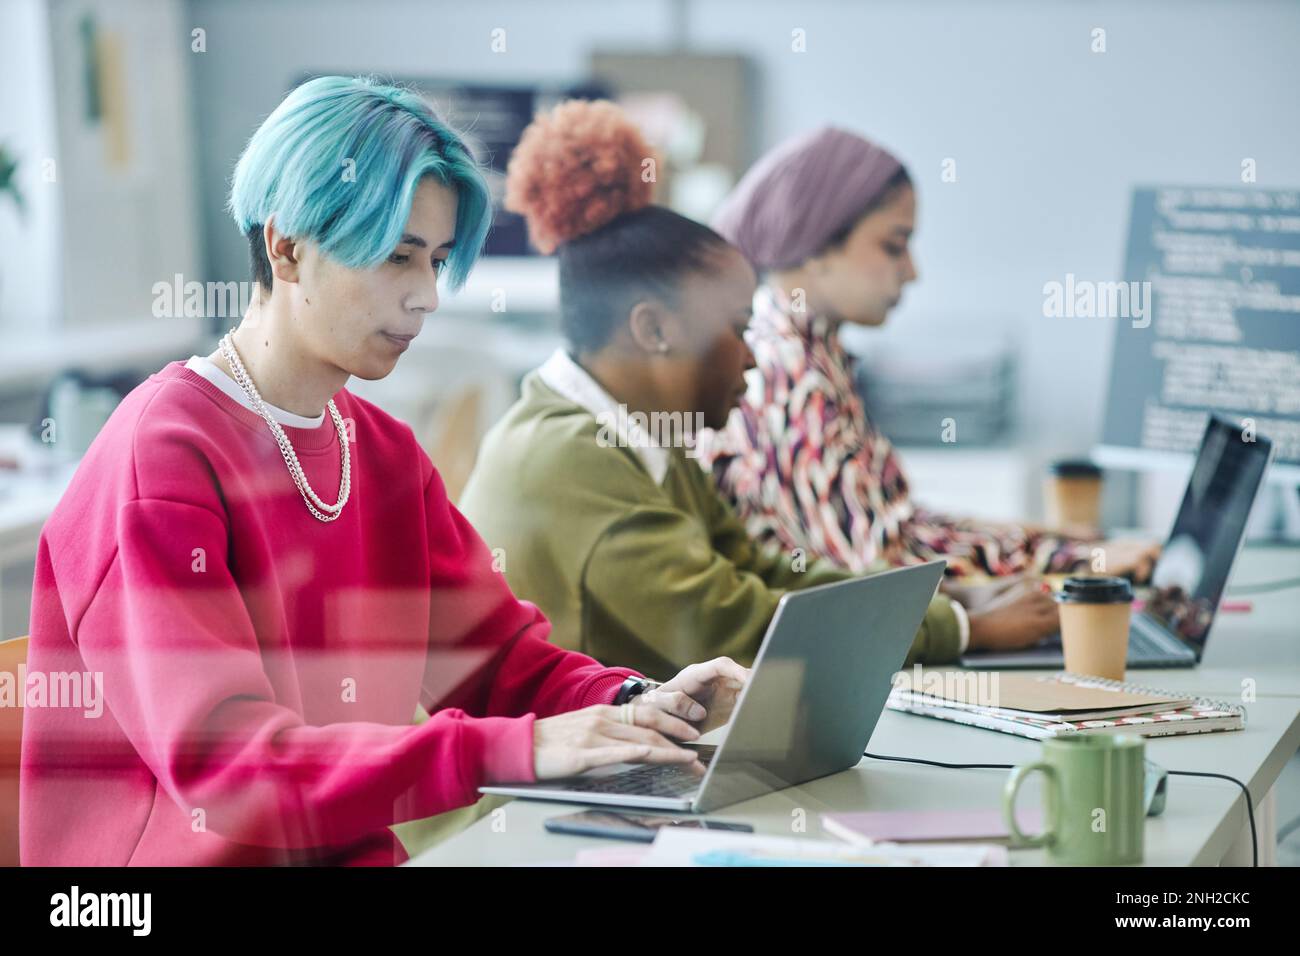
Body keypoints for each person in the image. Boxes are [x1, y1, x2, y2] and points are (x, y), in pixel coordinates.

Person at [21, 76, 747, 867]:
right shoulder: (162, 454)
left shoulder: (382, 450)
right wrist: (521, 751)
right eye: (398, 257)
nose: (428, 295)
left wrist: (634, 704)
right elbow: (233, 772)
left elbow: (497, 664)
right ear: (287, 245)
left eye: (436, 260)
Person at [459, 100, 1057, 682]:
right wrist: (958, 629)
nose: (750, 355)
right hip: (540, 784)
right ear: (654, 329)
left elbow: (761, 571)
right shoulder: (571, 457)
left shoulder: (643, 438)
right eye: (738, 328)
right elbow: (732, 627)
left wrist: (941, 597)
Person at [699, 126, 1160, 586]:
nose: (912, 271)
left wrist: (1056, 542)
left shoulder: (812, 351)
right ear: (816, 246)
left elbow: (898, 528)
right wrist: (1069, 562)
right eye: (893, 245)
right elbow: (875, 572)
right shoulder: (786, 371)